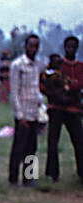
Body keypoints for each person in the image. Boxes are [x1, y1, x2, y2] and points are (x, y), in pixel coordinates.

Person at [44, 37, 83, 184]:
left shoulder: (80, 66)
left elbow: (80, 82)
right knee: (53, 142)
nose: (71, 49)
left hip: (73, 109)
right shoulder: (57, 64)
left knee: (79, 142)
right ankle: (52, 173)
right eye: (68, 46)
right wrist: (56, 93)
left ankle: (81, 173)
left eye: (73, 47)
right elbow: (46, 83)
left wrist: (69, 87)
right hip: (57, 107)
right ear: (64, 47)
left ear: (77, 48)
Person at [8, 34, 44, 185]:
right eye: (31, 46)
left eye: (36, 46)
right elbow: (14, 92)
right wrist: (19, 115)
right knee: (19, 147)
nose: (33, 49)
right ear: (25, 46)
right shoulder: (18, 65)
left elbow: (36, 89)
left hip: (34, 112)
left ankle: (29, 178)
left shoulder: (37, 64)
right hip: (23, 113)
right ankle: (13, 178)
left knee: (32, 147)